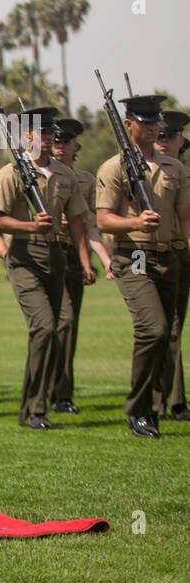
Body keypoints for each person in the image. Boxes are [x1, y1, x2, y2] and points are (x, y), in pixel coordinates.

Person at [0, 107, 91, 429]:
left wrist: (84, 260)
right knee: (44, 327)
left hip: (57, 257)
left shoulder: (65, 174)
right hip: (24, 258)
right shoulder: (10, 173)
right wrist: (30, 227)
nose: (47, 139)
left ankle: (34, 406)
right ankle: (35, 407)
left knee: (54, 332)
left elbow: (77, 221)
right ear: (26, 137)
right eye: (41, 133)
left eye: (50, 133)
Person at [96, 94, 190, 438]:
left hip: (168, 256)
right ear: (128, 125)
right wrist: (135, 224)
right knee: (154, 329)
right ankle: (137, 411)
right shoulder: (114, 168)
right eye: (145, 122)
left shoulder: (174, 168)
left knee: (166, 336)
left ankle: (152, 408)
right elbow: (104, 220)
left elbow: (185, 219)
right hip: (133, 254)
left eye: (155, 122)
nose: (152, 128)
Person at [49, 119, 111, 414]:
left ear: (76, 146)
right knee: (48, 327)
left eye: (66, 141)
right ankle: (46, 388)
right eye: (55, 141)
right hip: (47, 252)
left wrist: (101, 261)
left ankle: (62, 393)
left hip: (74, 255)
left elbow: (89, 226)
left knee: (68, 325)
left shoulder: (85, 181)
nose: (60, 146)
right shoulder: (40, 175)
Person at [154, 110, 190, 420]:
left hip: (183, 253)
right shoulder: (150, 173)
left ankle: (173, 399)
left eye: (169, 136)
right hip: (160, 253)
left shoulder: (184, 175)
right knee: (165, 327)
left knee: (175, 327)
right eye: (159, 135)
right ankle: (168, 400)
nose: (163, 141)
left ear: (181, 141)